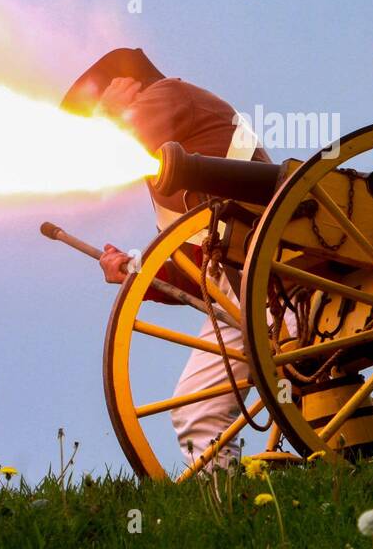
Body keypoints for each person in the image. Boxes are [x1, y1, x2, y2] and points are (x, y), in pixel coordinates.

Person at [61, 48, 269, 467]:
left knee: (314, 388)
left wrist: (114, 114)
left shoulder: (167, 95)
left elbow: (99, 156)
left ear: (126, 86)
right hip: (238, 287)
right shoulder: (168, 176)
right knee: (197, 410)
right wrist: (135, 269)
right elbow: (197, 276)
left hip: (282, 270)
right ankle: (225, 511)